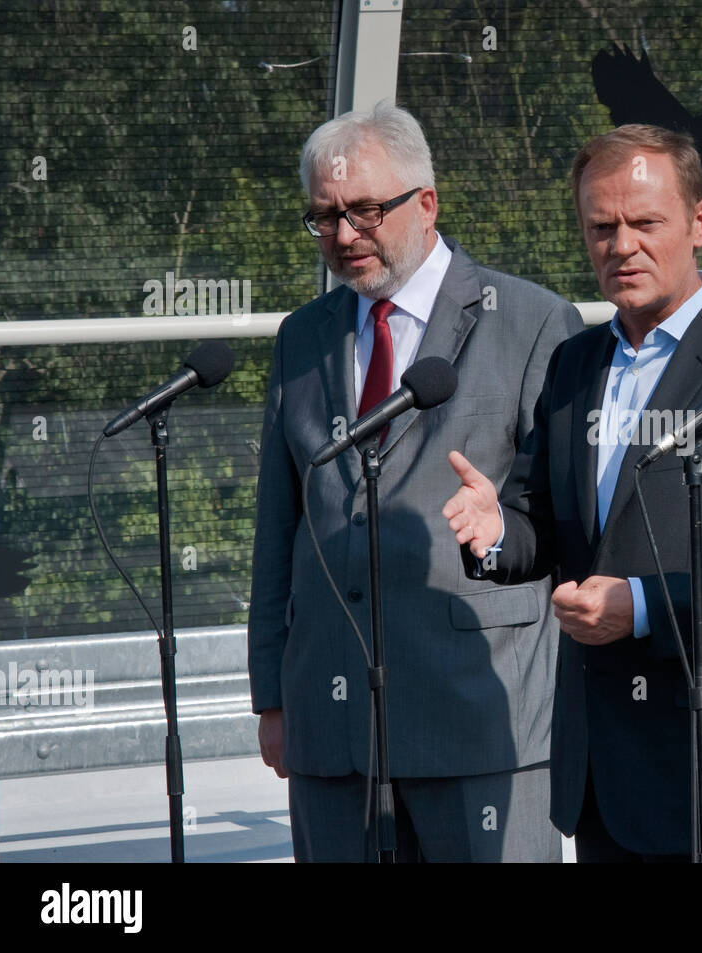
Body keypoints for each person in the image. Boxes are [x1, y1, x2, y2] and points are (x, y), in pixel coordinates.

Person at [443, 124, 702, 861]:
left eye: (644, 222)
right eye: (601, 226)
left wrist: (641, 606)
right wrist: (498, 531)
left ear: (700, 221)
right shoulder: (574, 364)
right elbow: (547, 520)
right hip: (601, 767)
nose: (621, 245)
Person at [247, 102, 582, 862]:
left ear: (425, 202)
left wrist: (497, 529)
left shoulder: (533, 322)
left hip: (481, 718)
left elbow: (566, 523)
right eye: (325, 217)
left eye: (364, 211)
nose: (342, 235)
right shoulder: (302, 338)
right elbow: (279, 531)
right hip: (330, 728)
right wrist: (272, 692)